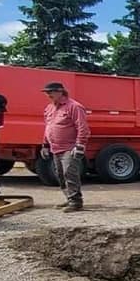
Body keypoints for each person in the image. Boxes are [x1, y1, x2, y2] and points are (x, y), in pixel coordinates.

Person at [42, 82, 90, 212]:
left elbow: (82, 127)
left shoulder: (74, 107)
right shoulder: (49, 108)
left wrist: (80, 145)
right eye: (46, 92)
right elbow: (48, 127)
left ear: (60, 92)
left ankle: (76, 202)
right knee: (60, 175)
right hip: (55, 148)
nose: (48, 95)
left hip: (69, 147)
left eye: (50, 92)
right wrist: (45, 145)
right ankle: (69, 198)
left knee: (69, 173)